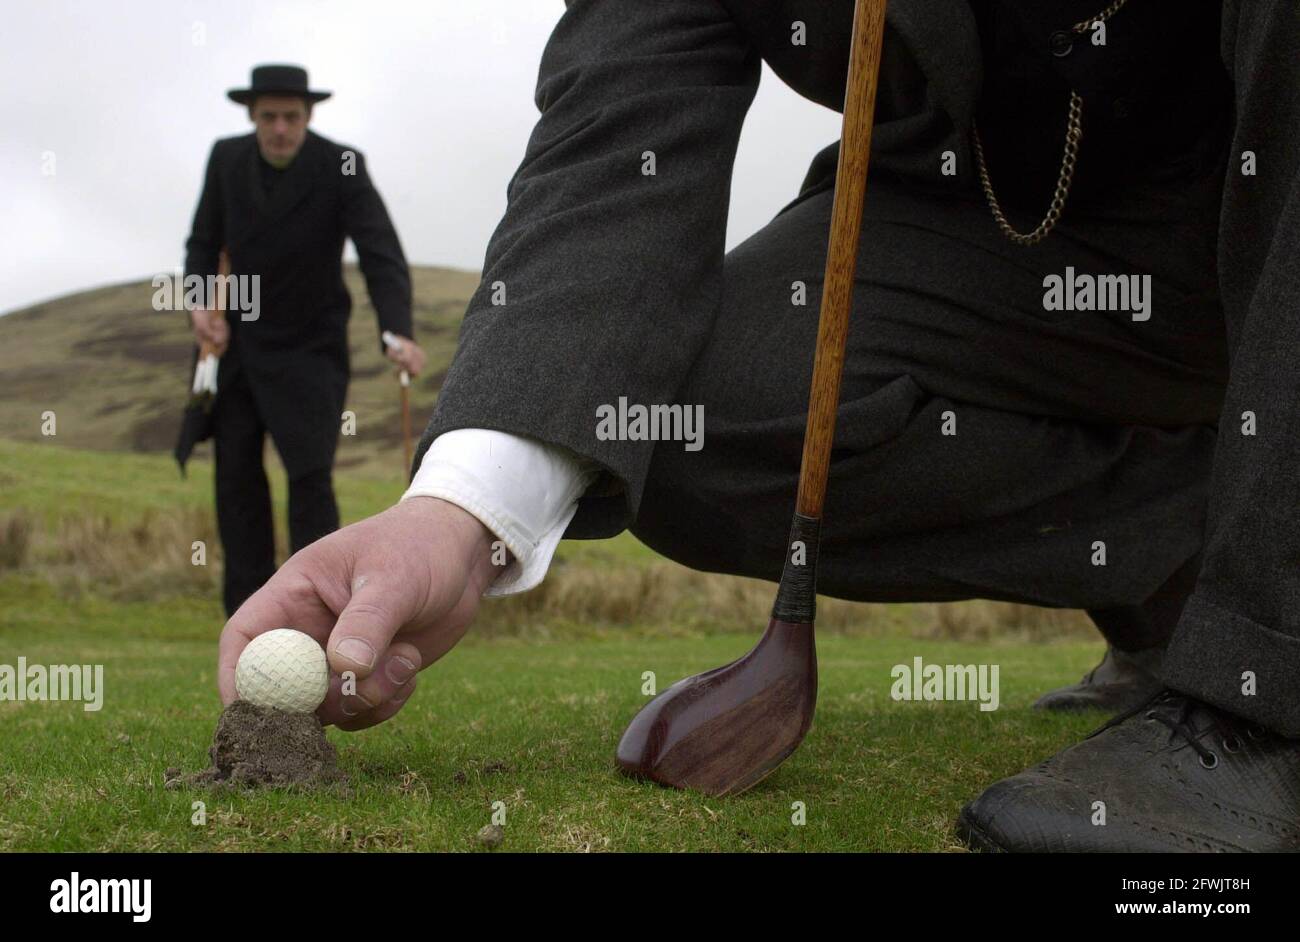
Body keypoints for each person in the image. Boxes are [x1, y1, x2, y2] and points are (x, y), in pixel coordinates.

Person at [219, 2, 1300, 851]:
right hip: (984, 232)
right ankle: (1183, 563)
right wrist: (460, 510)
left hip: (1261, 206)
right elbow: (620, 121)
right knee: (674, 418)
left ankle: (1271, 658)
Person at [183, 64, 426, 617]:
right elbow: (202, 242)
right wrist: (200, 305)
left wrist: (396, 329)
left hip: (311, 351)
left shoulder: (341, 165)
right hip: (241, 350)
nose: (280, 129)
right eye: (268, 116)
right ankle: (246, 619)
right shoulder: (226, 159)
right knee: (236, 480)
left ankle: (318, 611)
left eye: (291, 117)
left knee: (310, 478)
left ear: (308, 116)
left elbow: (379, 251)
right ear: (252, 116)